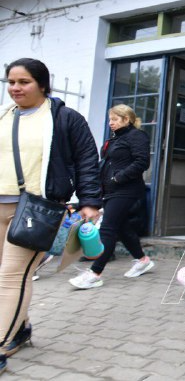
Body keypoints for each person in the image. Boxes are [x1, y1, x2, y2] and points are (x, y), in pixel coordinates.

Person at [0, 58, 102, 373]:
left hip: (37, 208)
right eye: (11, 82)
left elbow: (87, 158)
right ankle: (20, 329)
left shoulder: (65, 118)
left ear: (42, 85)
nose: (15, 88)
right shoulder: (4, 115)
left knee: (11, 277)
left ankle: (1, 346)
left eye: (24, 82)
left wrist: (89, 201)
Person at [69, 104, 154, 289]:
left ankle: (94, 273)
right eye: (110, 119)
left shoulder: (136, 136)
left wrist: (118, 178)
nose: (111, 123)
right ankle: (142, 259)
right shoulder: (116, 139)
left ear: (127, 119)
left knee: (108, 229)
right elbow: (107, 164)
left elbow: (142, 162)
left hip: (127, 190)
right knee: (122, 228)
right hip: (111, 191)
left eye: (115, 119)